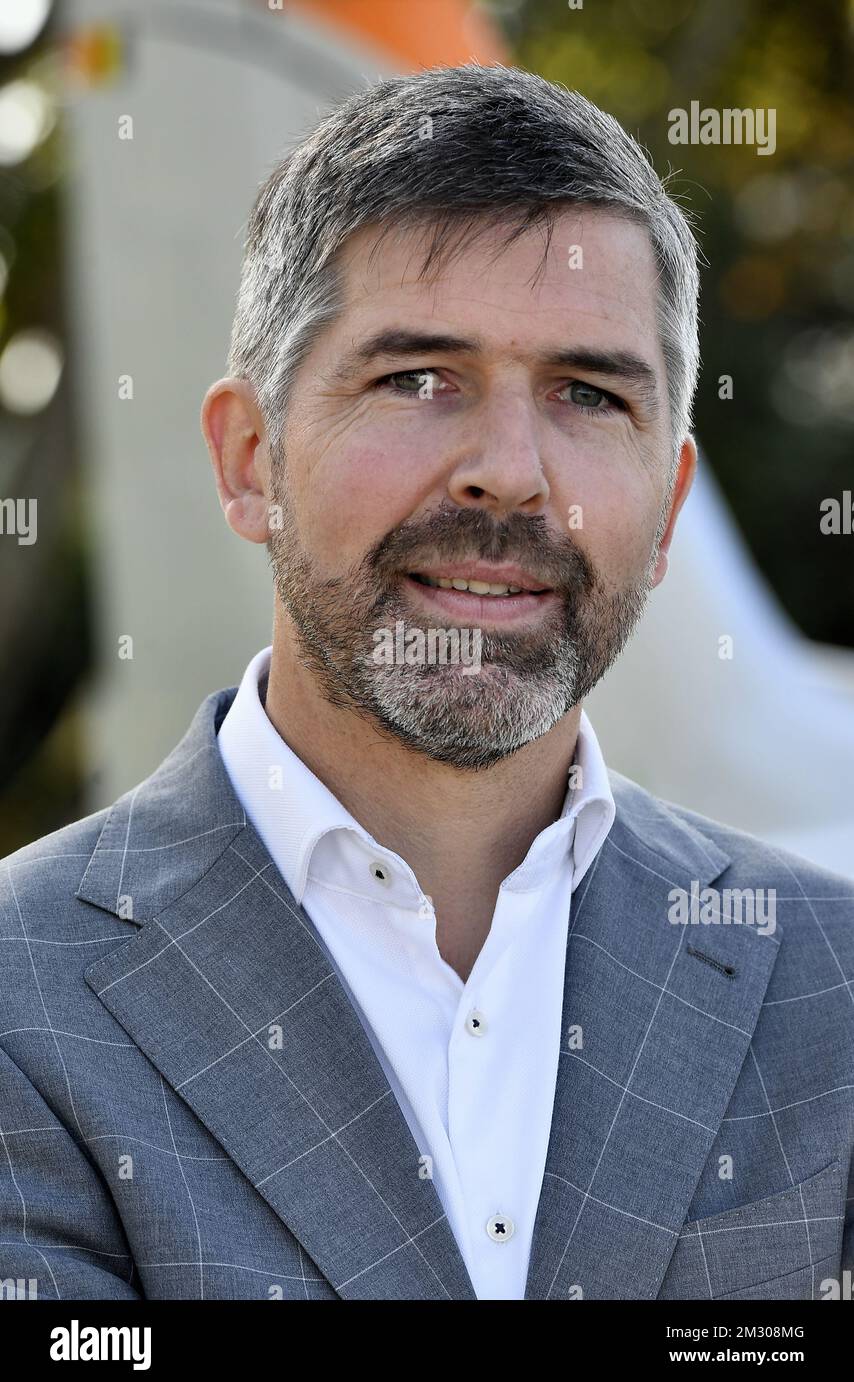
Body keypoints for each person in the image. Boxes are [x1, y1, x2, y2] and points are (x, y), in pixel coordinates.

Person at [1, 64, 851, 1303]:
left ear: (665, 509)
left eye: (586, 393)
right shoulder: (19, 994)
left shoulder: (831, 980)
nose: (507, 474)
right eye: (416, 379)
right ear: (250, 462)